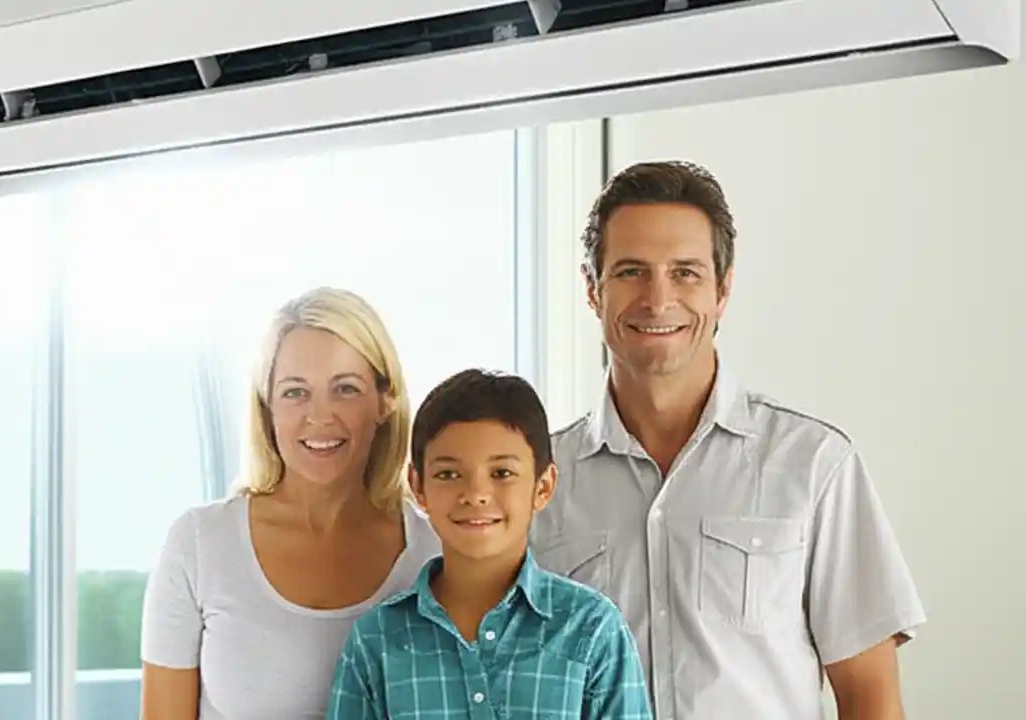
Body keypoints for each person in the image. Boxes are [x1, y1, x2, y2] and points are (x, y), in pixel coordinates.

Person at [529, 160, 926, 719]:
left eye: (686, 272)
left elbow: (870, 696)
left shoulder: (813, 466)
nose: (658, 298)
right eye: (631, 272)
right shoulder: (535, 484)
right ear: (592, 290)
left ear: (724, 288)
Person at [139, 286, 441, 719]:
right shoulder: (200, 545)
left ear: (384, 401)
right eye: (296, 392)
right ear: (267, 407)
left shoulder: (435, 555)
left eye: (346, 389)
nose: (320, 416)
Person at [327, 368, 653, 719]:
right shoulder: (378, 642)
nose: (476, 495)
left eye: (502, 474)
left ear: (542, 487)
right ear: (418, 487)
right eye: (448, 474)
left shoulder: (591, 631)